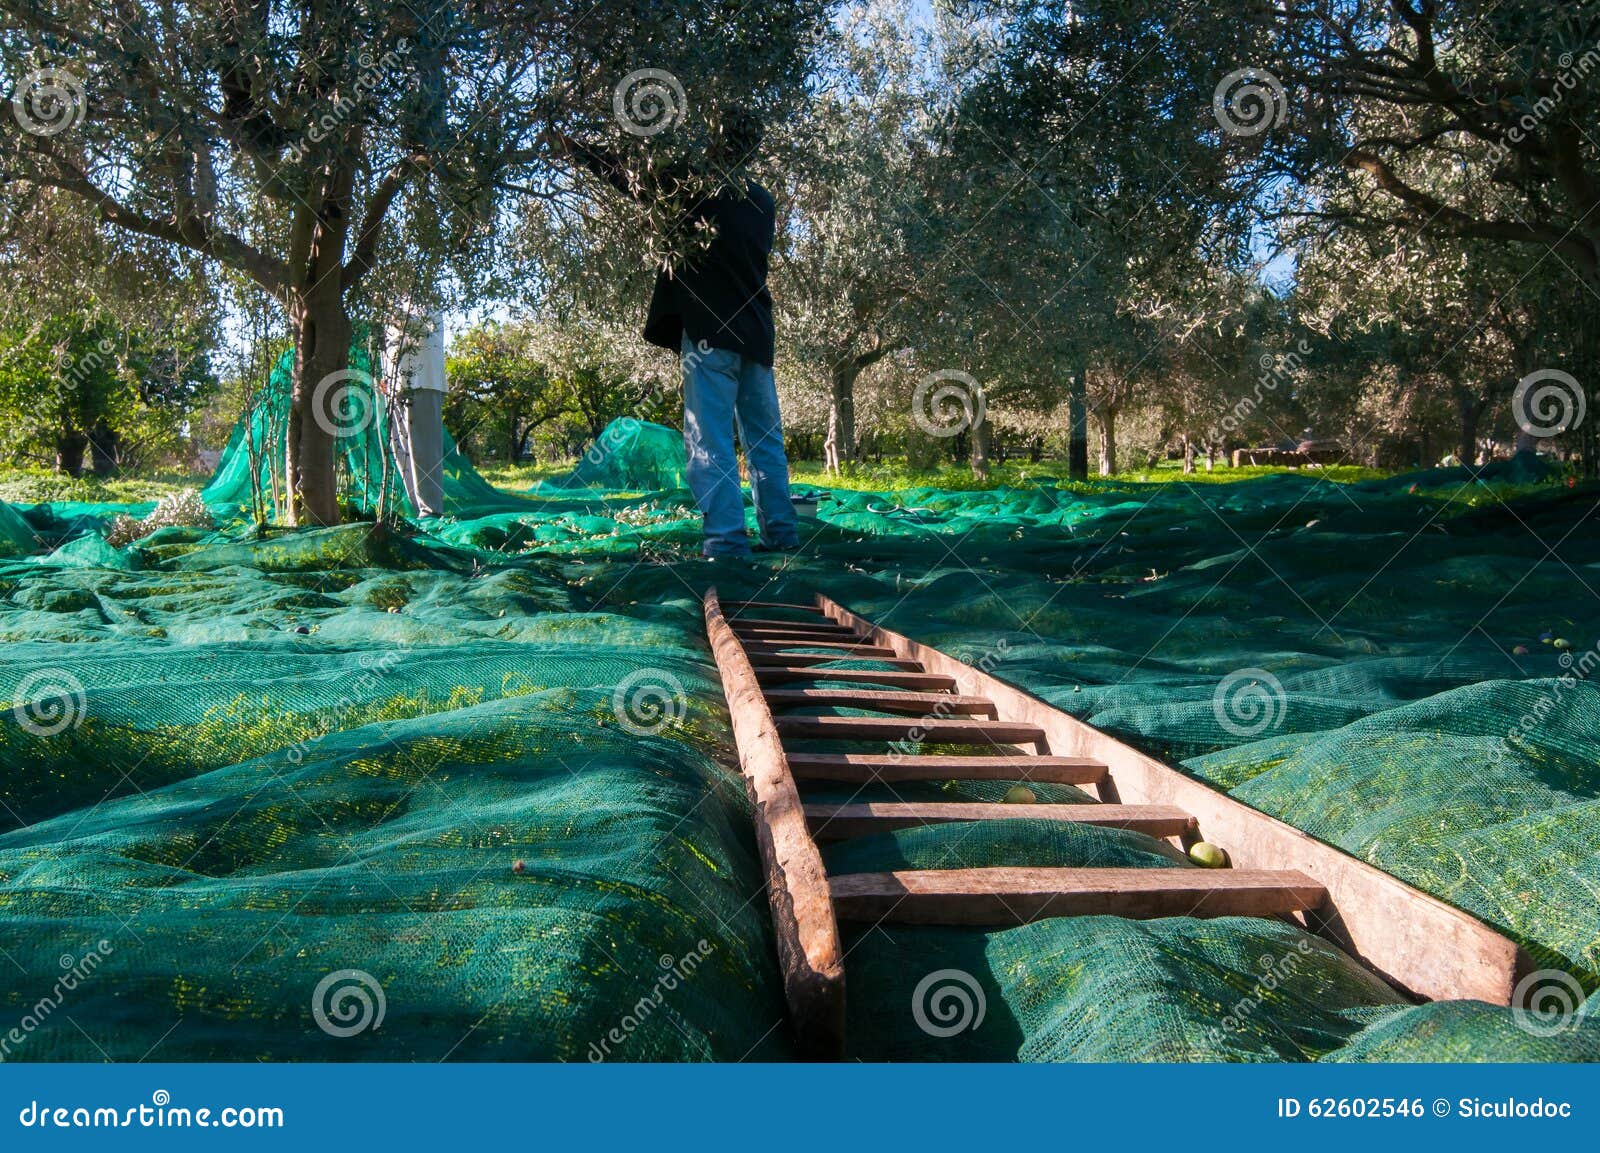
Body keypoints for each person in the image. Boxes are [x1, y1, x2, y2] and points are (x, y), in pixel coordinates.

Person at [556, 111, 800, 557]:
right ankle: (782, 536)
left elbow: (629, 178)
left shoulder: (693, 186)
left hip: (711, 336)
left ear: (716, 140)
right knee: (765, 443)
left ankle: (726, 543)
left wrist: (577, 149)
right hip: (756, 335)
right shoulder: (763, 202)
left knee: (710, 442)